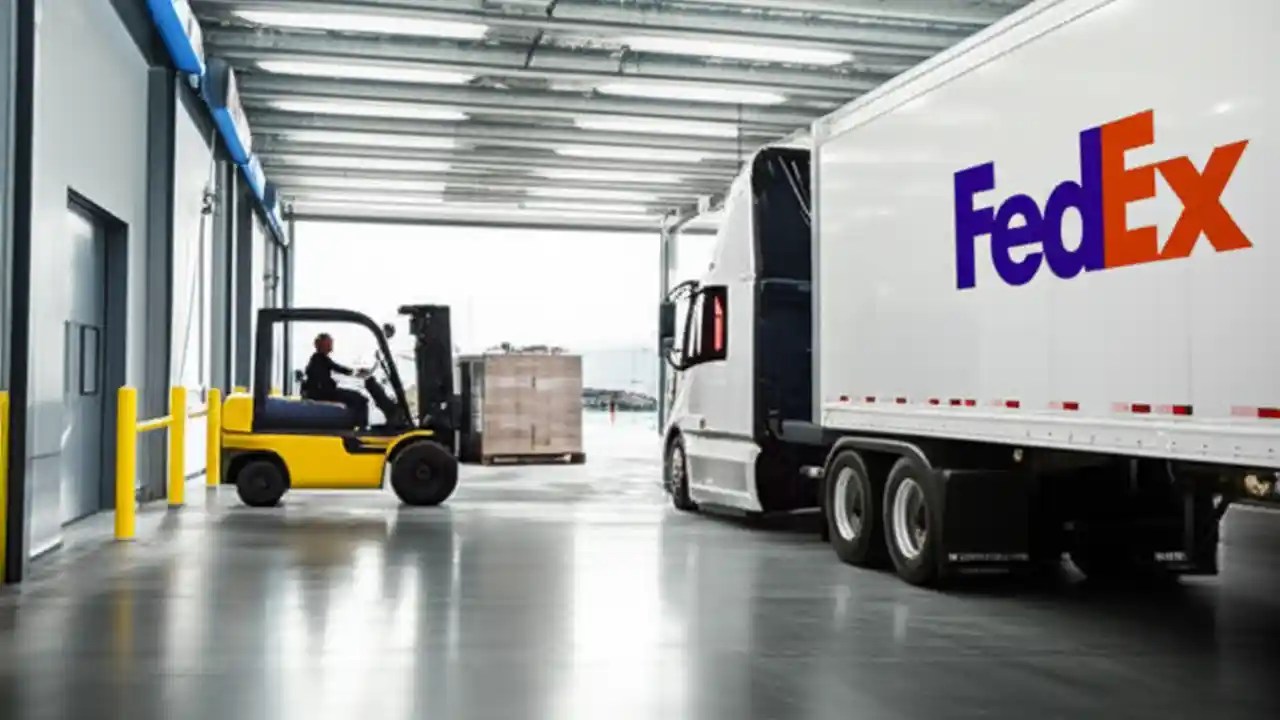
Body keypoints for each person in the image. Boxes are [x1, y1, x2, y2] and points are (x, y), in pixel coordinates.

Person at [304, 333, 370, 429]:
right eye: (328, 344)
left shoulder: (318, 359)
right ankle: (362, 428)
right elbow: (338, 368)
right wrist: (355, 372)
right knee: (361, 399)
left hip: (323, 392)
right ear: (321, 345)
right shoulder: (319, 358)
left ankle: (355, 426)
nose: (331, 347)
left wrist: (355, 372)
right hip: (324, 393)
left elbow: (337, 368)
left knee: (356, 397)